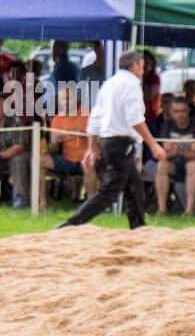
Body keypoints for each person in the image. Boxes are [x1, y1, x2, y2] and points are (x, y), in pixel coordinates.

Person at [55, 49, 166, 230]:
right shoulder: (131, 84)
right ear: (135, 65)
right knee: (108, 192)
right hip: (120, 142)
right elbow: (135, 119)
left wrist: (91, 148)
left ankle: (138, 227)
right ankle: (71, 224)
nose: (143, 71)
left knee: (135, 186)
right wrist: (154, 145)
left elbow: (95, 119)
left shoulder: (109, 84)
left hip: (109, 142)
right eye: (142, 67)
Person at [38, 86, 97, 211]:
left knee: (89, 164)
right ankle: (42, 203)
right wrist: (55, 141)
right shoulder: (56, 120)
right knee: (39, 161)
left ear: (77, 99)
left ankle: (92, 205)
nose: (66, 102)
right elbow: (53, 149)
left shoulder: (89, 114)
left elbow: (100, 138)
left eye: (69, 98)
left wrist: (83, 134)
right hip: (67, 159)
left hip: (87, 157)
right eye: (63, 99)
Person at [153, 96, 195, 215]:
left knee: (192, 165)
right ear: (171, 112)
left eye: (183, 110)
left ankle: (189, 210)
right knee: (161, 165)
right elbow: (166, 151)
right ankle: (162, 209)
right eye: (176, 111)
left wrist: (176, 149)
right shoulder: (168, 124)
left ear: (188, 111)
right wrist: (184, 149)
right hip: (176, 162)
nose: (180, 114)